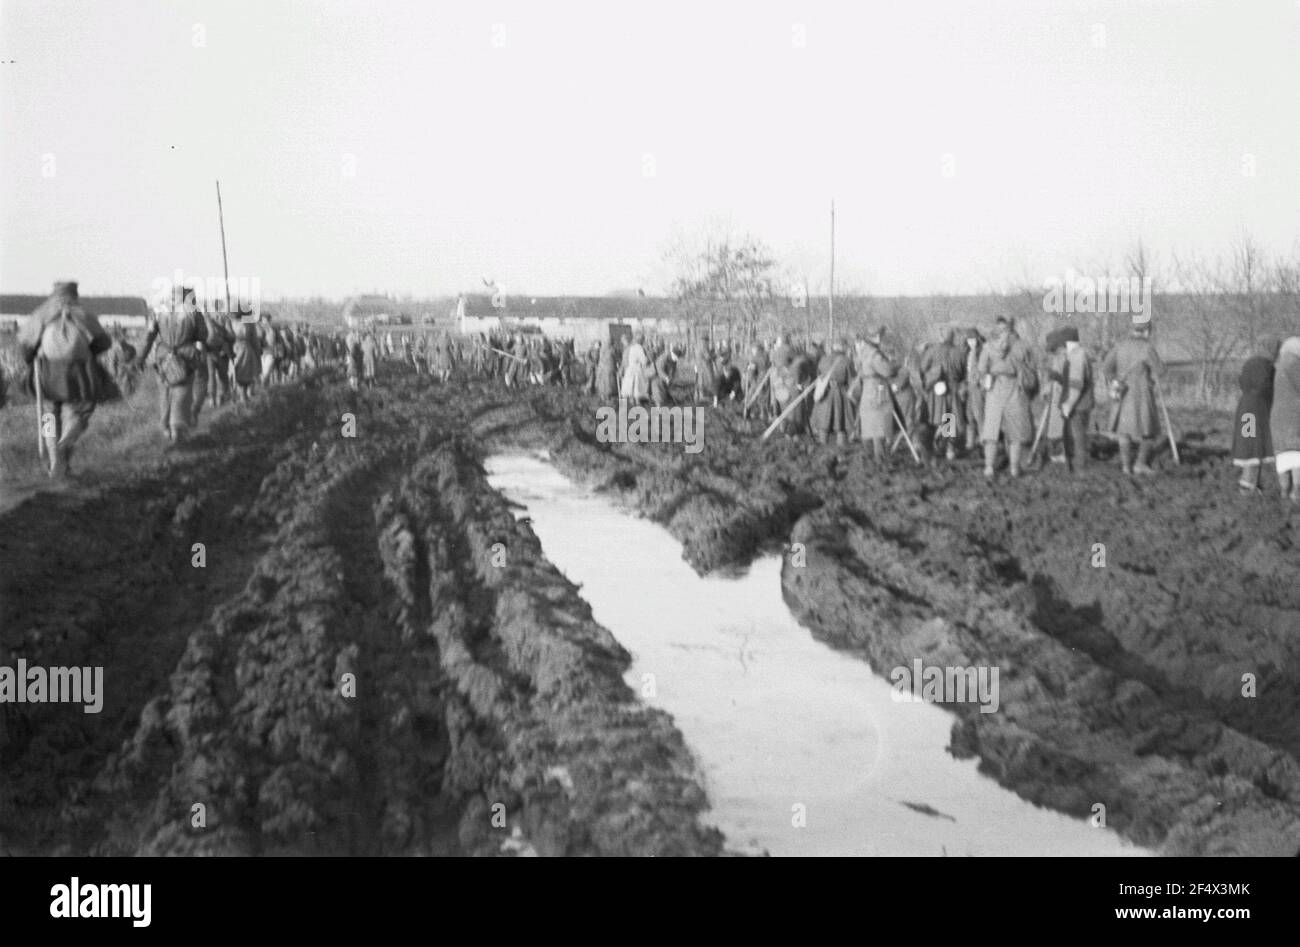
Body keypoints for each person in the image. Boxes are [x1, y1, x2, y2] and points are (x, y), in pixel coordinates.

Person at [18, 280, 112, 477]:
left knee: (48, 415)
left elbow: (25, 346)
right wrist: (90, 352)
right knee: (77, 410)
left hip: (47, 371)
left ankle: (54, 461)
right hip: (78, 371)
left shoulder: (42, 312)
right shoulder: (82, 313)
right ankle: (67, 439)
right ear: (74, 294)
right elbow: (103, 342)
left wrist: (30, 357)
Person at [139, 285, 208, 445]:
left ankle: (165, 426)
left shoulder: (158, 312)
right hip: (186, 357)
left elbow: (148, 337)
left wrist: (141, 358)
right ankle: (177, 427)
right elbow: (203, 335)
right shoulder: (194, 312)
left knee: (164, 392)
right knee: (181, 392)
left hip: (163, 358)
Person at [976, 316, 1035, 478]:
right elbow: (1032, 371)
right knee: (1014, 432)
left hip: (994, 389)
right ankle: (1014, 468)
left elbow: (980, 371)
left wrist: (983, 381)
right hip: (1014, 389)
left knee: (991, 431)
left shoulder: (987, 347)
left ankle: (988, 466)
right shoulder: (1022, 346)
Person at [1102, 322, 1164, 475]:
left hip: (1122, 393)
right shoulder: (1147, 348)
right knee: (1149, 431)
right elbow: (1160, 371)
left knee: (1124, 432)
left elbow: (1105, 368)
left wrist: (1116, 381)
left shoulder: (1119, 346)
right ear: (1147, 331)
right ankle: (1140, 464)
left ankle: (1126, 466)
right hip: (1142, 394)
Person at [920, 326, 966, 459]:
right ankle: (948, 448)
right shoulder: (960, 352)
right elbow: (963, 373)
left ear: (941, 336)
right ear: (952, 337)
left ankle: (936, 446)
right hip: (953, 388)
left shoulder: (932, 351)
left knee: (938, 417)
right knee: (949, 416)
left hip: (936, 389)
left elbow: (922, 368)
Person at [1231, 354, 1275, 493]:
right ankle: (1247, 485)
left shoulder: (1251, 364)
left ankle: (1251, 483)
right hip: (1256, 411)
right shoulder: (1266, 367)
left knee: (1250, 446)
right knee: (1253, 448)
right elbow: (1266, 387)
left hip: (1246, 409)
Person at [856, 326, 897, 462]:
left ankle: (869, 457)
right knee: (879, 426)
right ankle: (879, 459)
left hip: (869, 391)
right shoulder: (875, 355)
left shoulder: (863, 353)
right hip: (877, 391)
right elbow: (888, 371)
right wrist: (895, 366)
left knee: (871, 426)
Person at [1269, 337, 1300, 504]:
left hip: (1277, 415)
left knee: (1282, 454)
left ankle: (1283, 491)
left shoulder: (1278, 366)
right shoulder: (1295, 365)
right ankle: (1296, 490)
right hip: (1295, 414)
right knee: (1296, 453)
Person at [811, 340, 852, 446]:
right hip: (840, 393)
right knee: (841, 422)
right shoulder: (847, 361)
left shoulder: (823, 359)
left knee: (823, 421)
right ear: (843, 348)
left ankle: (822, 446)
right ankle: (841, 448)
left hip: (824, 393)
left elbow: (818, 375)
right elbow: (852, 380)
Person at [620, 332, 651, 405]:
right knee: (637, 388)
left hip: (630, 369)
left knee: (631, 387)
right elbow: (644, 361)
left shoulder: (632, 347)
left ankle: (632, 402)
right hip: (637, 369)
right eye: (643, 340)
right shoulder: (639, 348)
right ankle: (638, 403)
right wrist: (648, 358)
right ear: (641, 340)